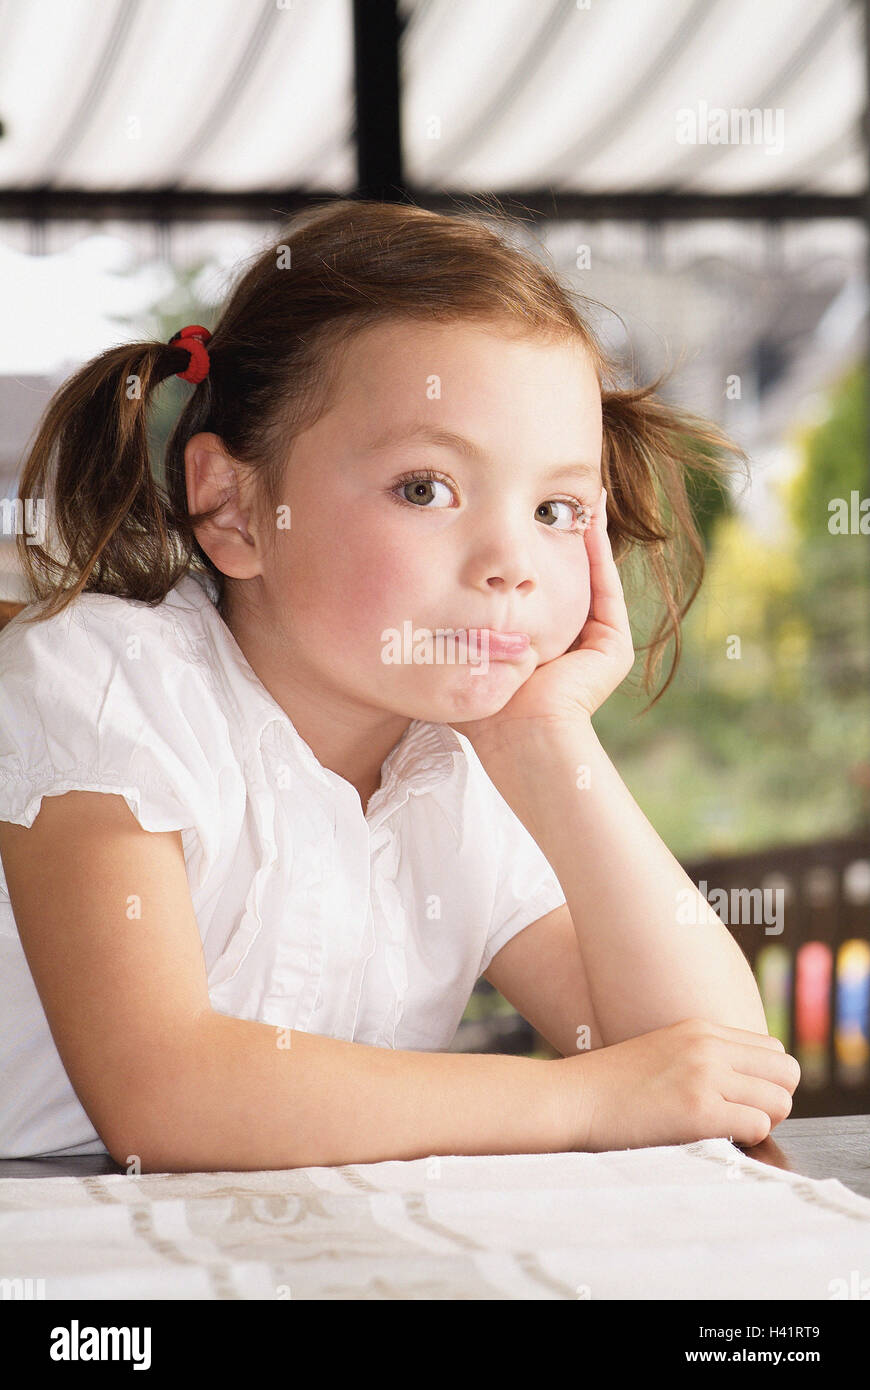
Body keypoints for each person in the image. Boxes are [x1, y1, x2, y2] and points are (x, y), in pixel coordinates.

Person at [0, 198, 799, 1170]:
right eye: (426, 488)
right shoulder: (108, 683)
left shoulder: (467, 766)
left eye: (556, 506)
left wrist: (548, 742)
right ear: (235, 508)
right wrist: (583, 1097)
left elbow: (721, 1075)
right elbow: (167, 1095)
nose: (512, 560)